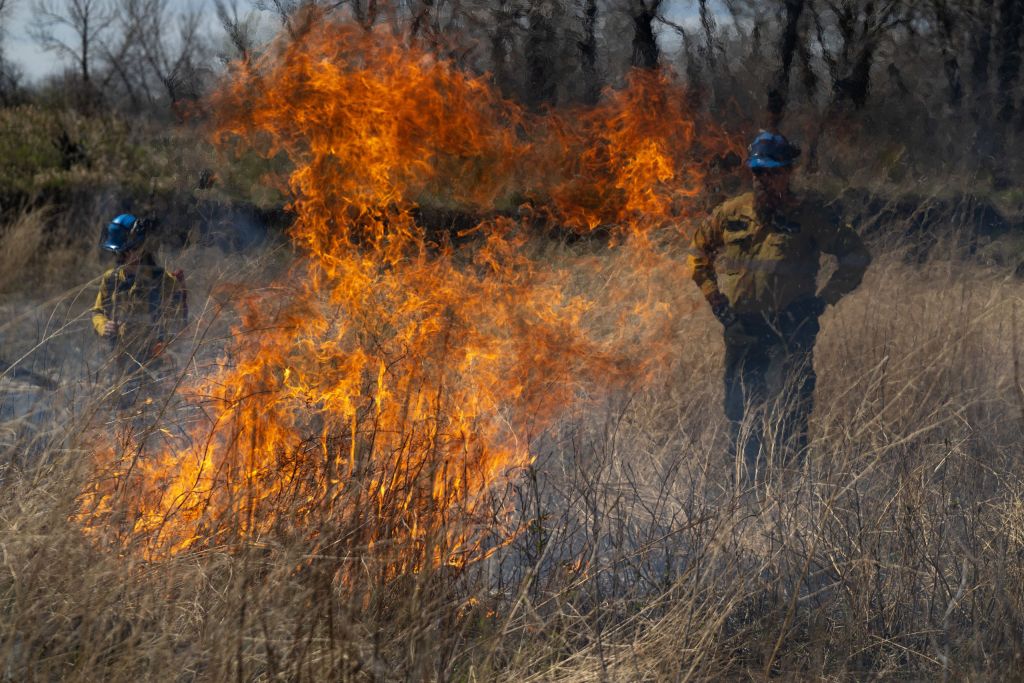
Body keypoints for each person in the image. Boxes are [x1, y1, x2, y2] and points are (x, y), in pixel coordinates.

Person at [689, 131, 871, 483]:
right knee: (741, 411)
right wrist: (716, 300)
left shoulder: (811, 216)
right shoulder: (730, 214)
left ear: (788, 172)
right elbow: (698, 256)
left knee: (792, 411)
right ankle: (743, 489)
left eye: (772, 172)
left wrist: (821, 301)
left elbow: (857, 257)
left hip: (793, 329)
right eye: (758, 172)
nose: (764, 180)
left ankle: (788, 492)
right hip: (743, 330)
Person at [92, 213, 188, 409]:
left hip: (154, 363)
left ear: (140, 248)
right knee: (121, 415)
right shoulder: (111, 279)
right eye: (118, 253)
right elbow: (97, 312)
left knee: (151, 413)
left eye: (127, 251)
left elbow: (178, 322)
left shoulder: (162, 280)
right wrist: (104, 326)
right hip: (119, 361)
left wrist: (165, 344)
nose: (122, 258)